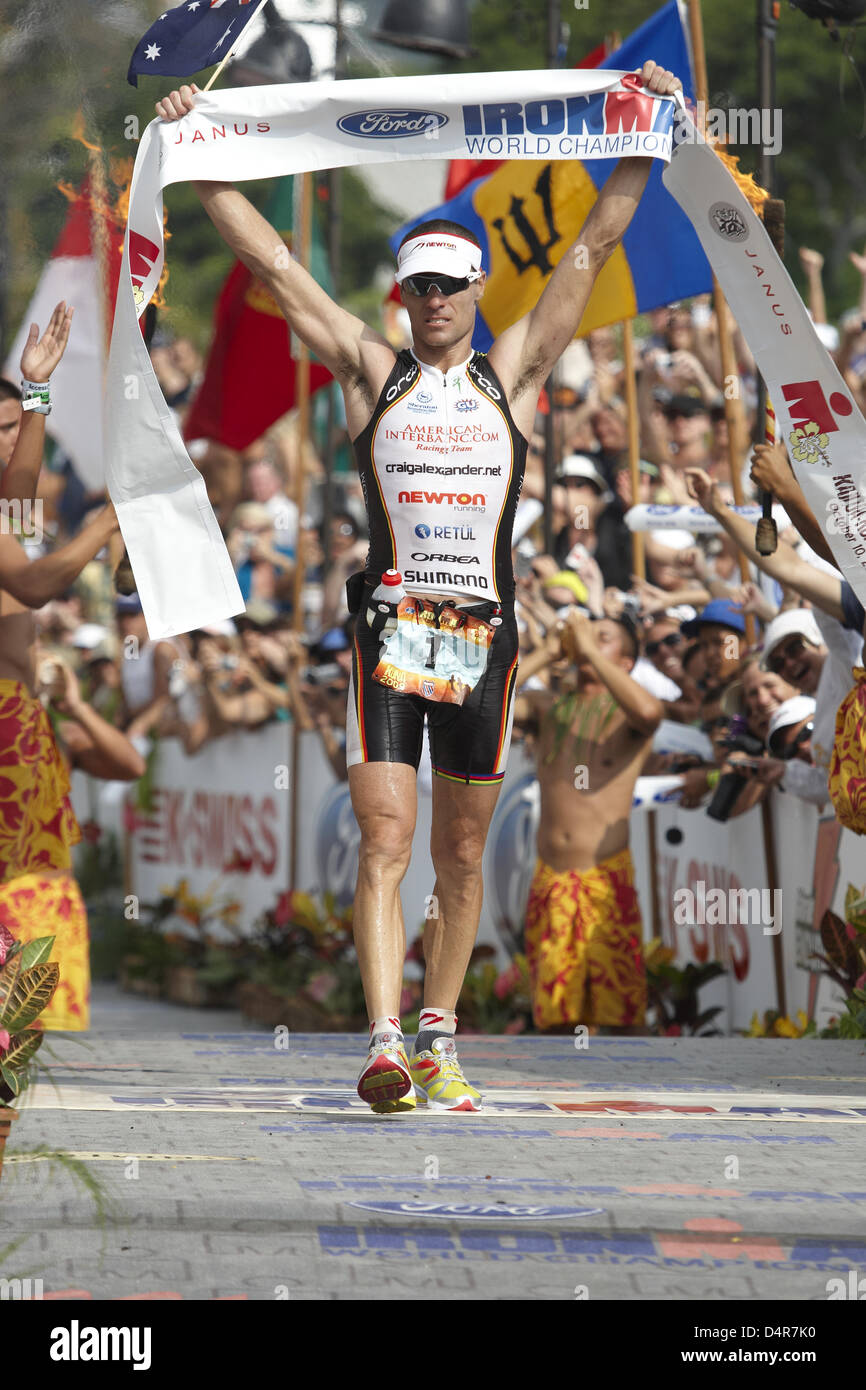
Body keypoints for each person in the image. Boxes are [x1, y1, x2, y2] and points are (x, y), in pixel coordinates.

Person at [156, 60, 683, 1113]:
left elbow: (594, 245)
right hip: (390, 634)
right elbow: (270, 263)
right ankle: (385, 1038)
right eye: (419, 285)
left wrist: (646, 133)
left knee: (457, 847)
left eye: (449, 284)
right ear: (401, 296)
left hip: (483, 636)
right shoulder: (367, 368)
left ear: (477, 291)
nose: (434, 300)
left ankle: (441, 1032)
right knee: (386, 838)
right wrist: (196, 145)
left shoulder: (518, 372)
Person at [513, 610, 663, 1032]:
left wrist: (591, 651)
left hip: (605, 877)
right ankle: (566, 1093)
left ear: (627, 661)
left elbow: (651, 714)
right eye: (584, 634)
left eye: (604, 637)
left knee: (620, 1014)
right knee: (556, 1015)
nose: (586, 640)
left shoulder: (627, 714)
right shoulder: (547, 708)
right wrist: (547, 650)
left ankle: (628, 1095)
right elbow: (487, 699)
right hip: (550, 878)